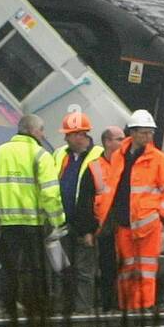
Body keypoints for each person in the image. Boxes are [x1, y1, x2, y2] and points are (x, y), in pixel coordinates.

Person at [0, 114, 66, 316]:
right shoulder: (41, 155)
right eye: (42, 129)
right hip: (33, 224)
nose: (43, 134)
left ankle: (9, 307)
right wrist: (58, 221)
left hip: (7, 225)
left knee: (9, 267)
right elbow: (50, 193)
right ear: (33, 131)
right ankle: (36, 308)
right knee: (36, 268)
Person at [95, 111, 164, 310]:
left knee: (145, 271)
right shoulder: (119, 157)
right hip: (123, 224)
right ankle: (126, 308)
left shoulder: (159, 159)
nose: (148, 137)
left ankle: (143, 309)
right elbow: (112, 188)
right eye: (144, 133)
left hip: (148, 226)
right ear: (132, 133)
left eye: (150, 133)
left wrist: (160, 218)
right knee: (125, 270)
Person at [52, 112, 105, 314]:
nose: (67, 138)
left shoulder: (97, 156)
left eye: (71, 134)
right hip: (62, 223)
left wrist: (91, 228)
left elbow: (99, 196)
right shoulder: (60, 154)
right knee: (60, 269)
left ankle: (82, 313)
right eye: (67, 134)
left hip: (85, 226)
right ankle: (60, 311)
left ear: (82, 135)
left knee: (84, 271)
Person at [94, 125, 124, 310]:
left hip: (122, 226)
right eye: (119, 139)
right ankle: (106, 305)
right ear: (107, 142)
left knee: (122, 268)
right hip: (102, 227)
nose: (123, 142)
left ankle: (119, 304)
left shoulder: (126, 165)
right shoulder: (96, 167)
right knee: (105, 268)